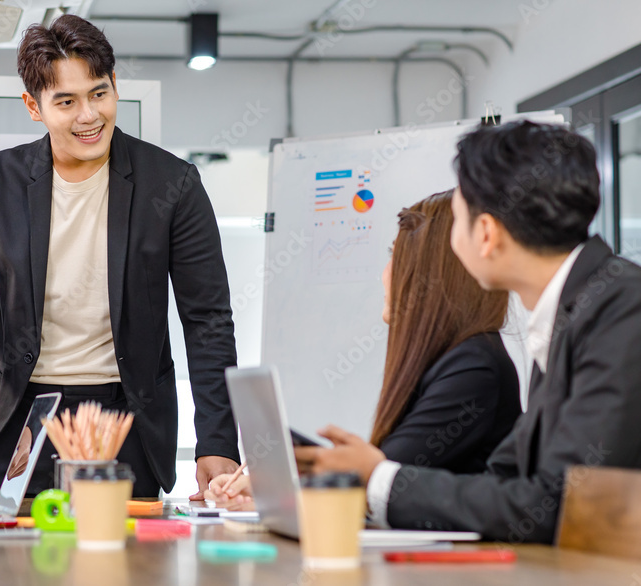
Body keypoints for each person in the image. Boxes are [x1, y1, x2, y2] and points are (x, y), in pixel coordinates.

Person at [287, 121, 641, 544]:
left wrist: (378, 478)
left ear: (486, 234)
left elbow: (560, 506)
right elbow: (505, 483)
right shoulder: (575, 308)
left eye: (457, 218)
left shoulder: (620, 307)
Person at [0, 14, 240, 498]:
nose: (88, 116)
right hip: (20, 415)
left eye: (99, 93)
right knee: (12, 567)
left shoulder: (173, 185)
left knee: (124, 567)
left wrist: (218, 442)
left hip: (127, 419)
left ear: (115, 84)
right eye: (66, 102)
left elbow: (207, 322)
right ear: (33, 107)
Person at [207, 190, 522, 507]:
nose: (385, 274)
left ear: (431, 274)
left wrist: (275, 488)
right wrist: (262, 487)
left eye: (394, 255)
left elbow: (378, 477)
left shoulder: (473, 368)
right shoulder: (452, 361)